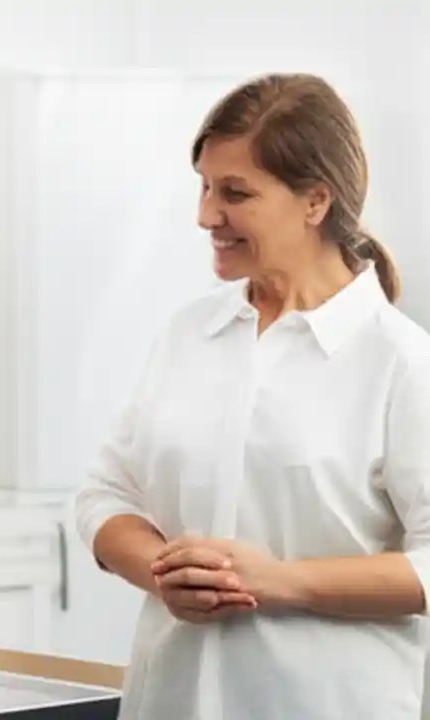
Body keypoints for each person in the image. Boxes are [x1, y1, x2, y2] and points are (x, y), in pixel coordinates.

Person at [74, 72, 430, 719]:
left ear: (315, 200)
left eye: (234, 193)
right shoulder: (190, 334)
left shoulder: (400, 363)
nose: (206, 215)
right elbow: (105, 497)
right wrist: (164, 572)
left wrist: (281, 581)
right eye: (205, 187)